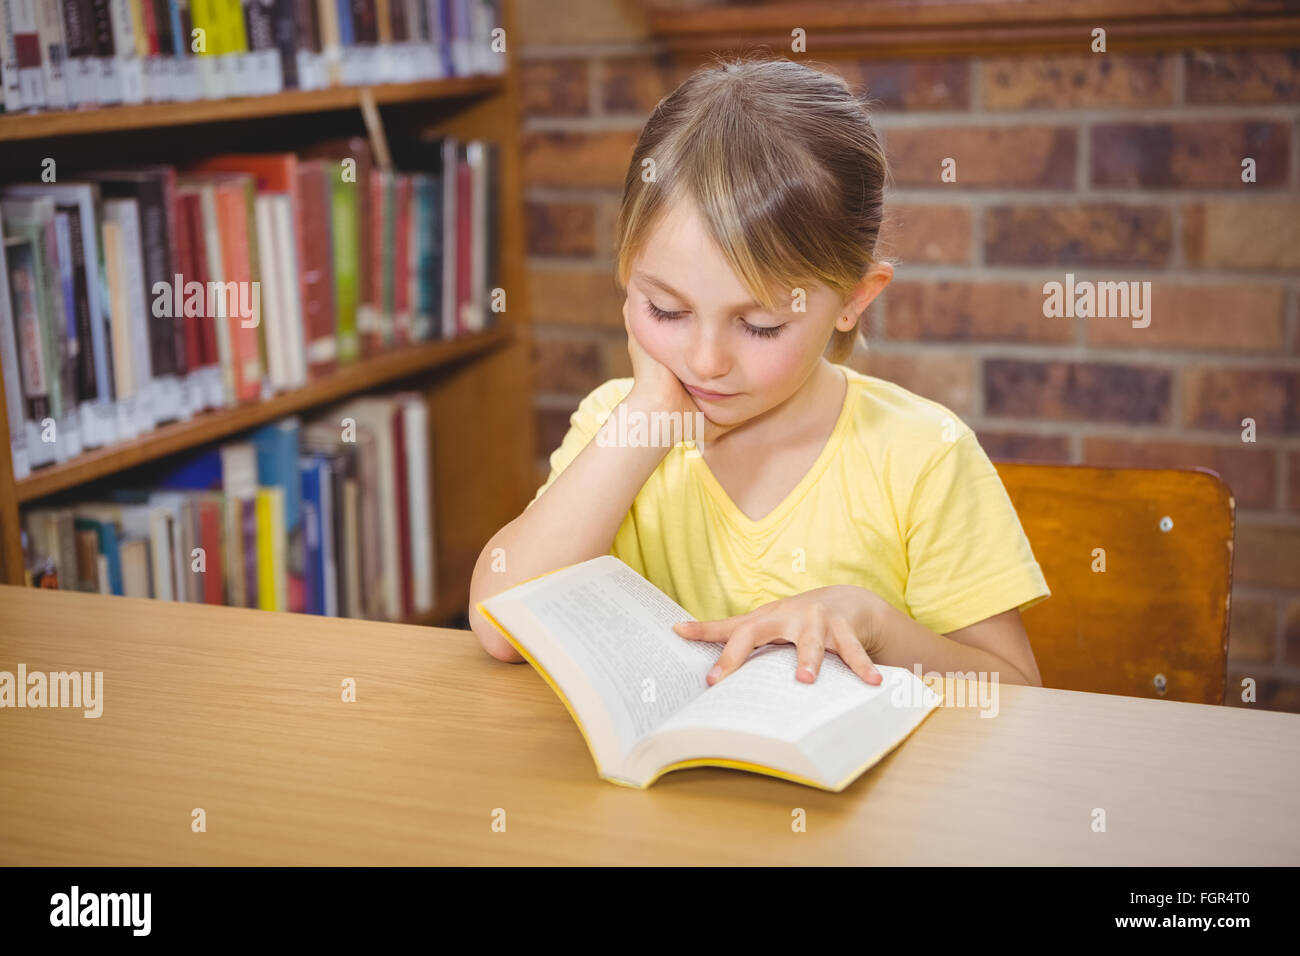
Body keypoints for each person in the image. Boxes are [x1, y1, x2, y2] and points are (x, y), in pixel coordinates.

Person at [470, 55, 1048, 689]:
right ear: (625, 274)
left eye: (761, 326)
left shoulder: (922, 454)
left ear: (854, 298)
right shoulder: (619, 424)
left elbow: (1013, 691)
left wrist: (876, 623)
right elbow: (501, 629)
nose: (706, 361)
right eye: (667, 309)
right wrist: (645, 420)